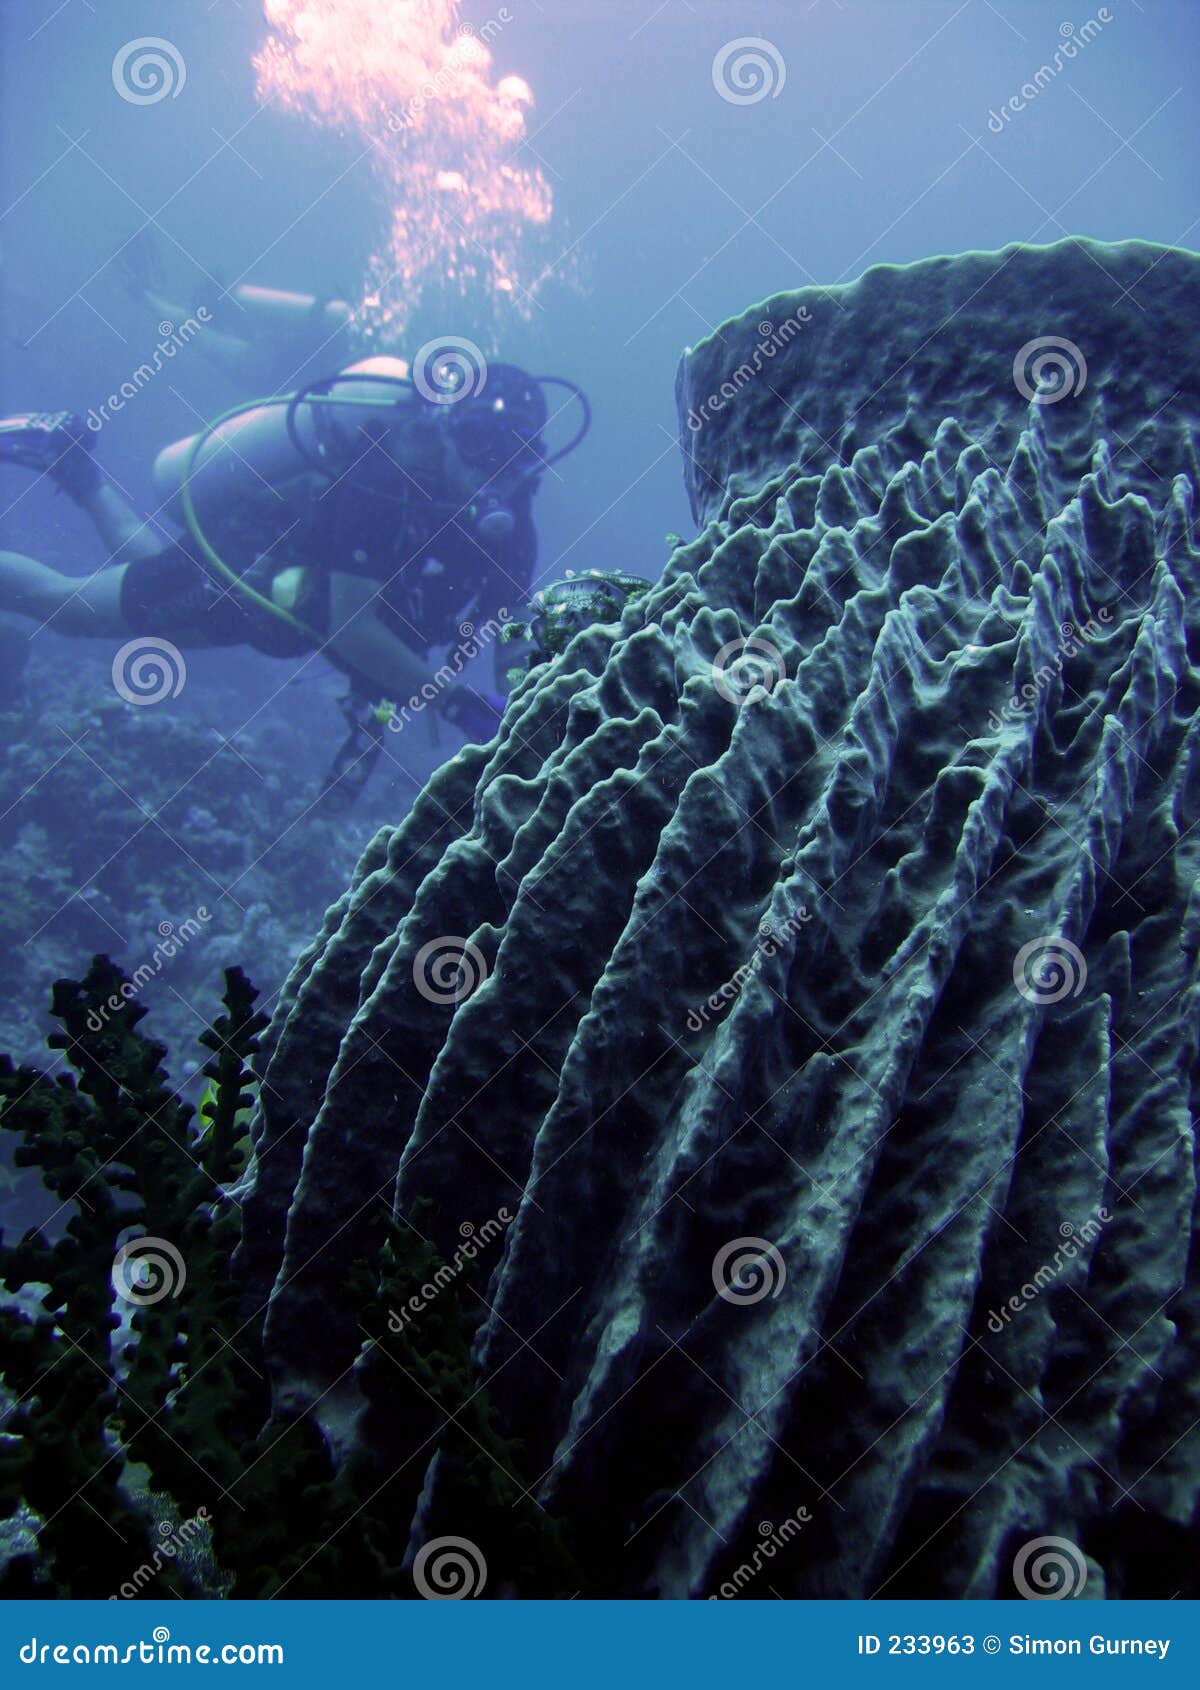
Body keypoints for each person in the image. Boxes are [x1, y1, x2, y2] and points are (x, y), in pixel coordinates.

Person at [0, 299, 590, 790]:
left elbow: (513, 628)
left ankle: (74, 469)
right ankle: (66, 462)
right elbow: (350, 625)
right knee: (69, 612)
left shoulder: (512, 527)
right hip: (248, 570)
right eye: (480, 463)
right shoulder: (385, 480)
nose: (492, 488)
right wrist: (455, 702)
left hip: (272, 616)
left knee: (144, 593)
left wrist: (530, 709)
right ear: (449, 436)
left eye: (512, 470)